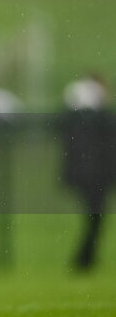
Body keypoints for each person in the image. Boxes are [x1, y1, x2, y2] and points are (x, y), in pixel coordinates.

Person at [58, 74, 115, 271]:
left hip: (90, 177)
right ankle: (84, 259)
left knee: (95, 218)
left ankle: (85, 258)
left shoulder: (83, 120)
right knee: (95, 217)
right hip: (94, 177)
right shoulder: (91, 120)